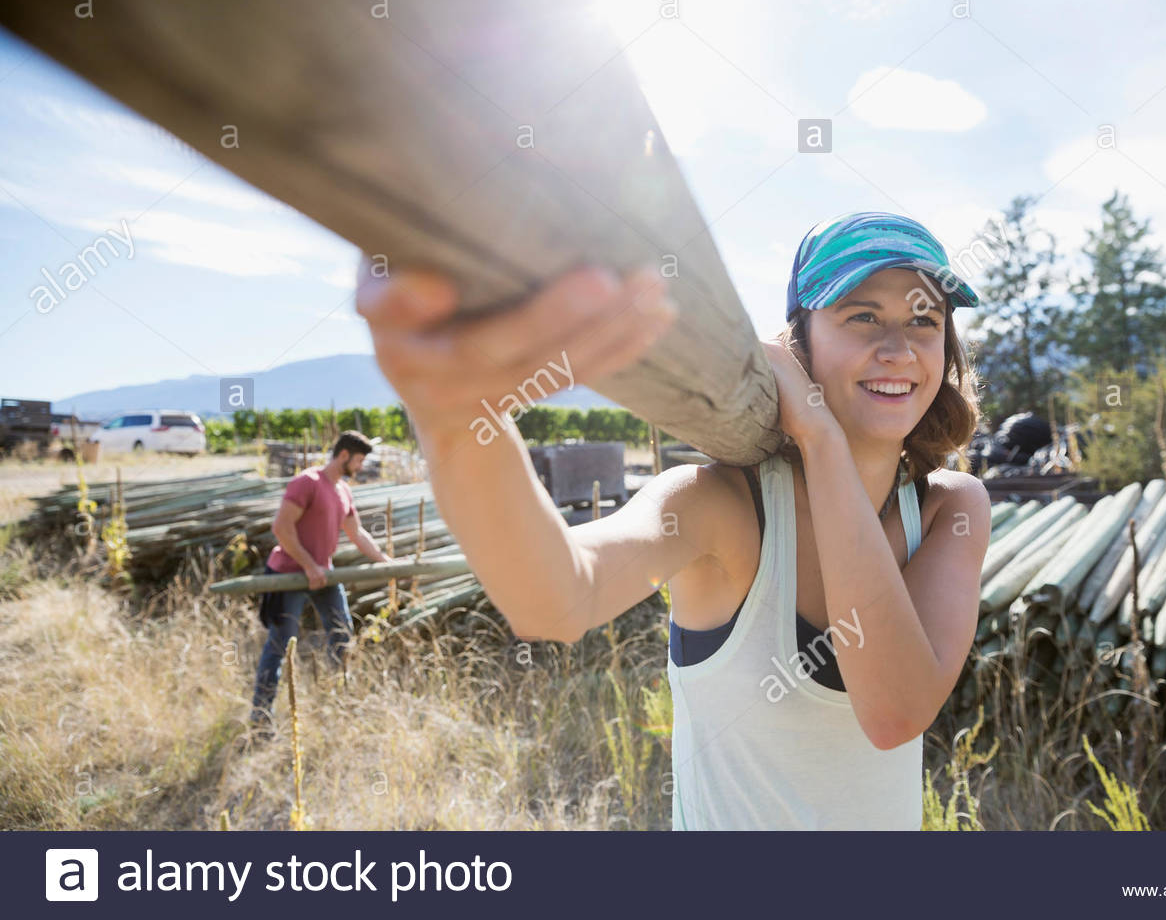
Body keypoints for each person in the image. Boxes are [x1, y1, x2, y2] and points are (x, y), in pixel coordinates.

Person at [356, 211, 992, 829]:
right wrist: (456, 417)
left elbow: (895, 712)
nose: (898, 349)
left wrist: (821, 437)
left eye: (924, 320)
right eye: (862, 317)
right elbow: (556, 600)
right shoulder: (719, 504)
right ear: (798, 343)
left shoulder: (949, 508)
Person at [249, 430, 392, 736]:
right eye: (358, 460)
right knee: (280, 644)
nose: (360, 467)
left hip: (324, 574)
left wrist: (384, 562)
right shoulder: (307, 483)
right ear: (343, 455)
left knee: (343, 635)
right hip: (288, 574)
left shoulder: (343, 490)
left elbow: (356, 533)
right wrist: (308, 566)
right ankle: (261, 719)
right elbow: (281, 527)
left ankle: (337, 702)